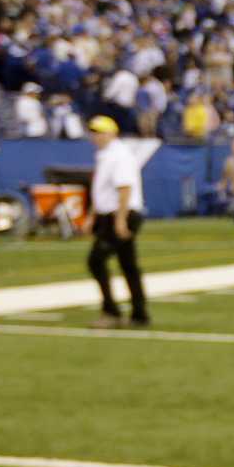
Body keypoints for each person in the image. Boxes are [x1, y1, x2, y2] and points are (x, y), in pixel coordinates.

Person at [85, 115, 149, 329]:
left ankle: (111, 310)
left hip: (120, 214)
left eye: (100, 132)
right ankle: (139, 313)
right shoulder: (105, 155)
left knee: (96, 260)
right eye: (94, 132)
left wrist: (120, 220)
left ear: (112, 133)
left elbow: (124, 188)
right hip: (111, 214)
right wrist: (92, 216)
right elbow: (102, 191)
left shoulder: (119, 155)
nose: (96, 136)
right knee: (128, 264)